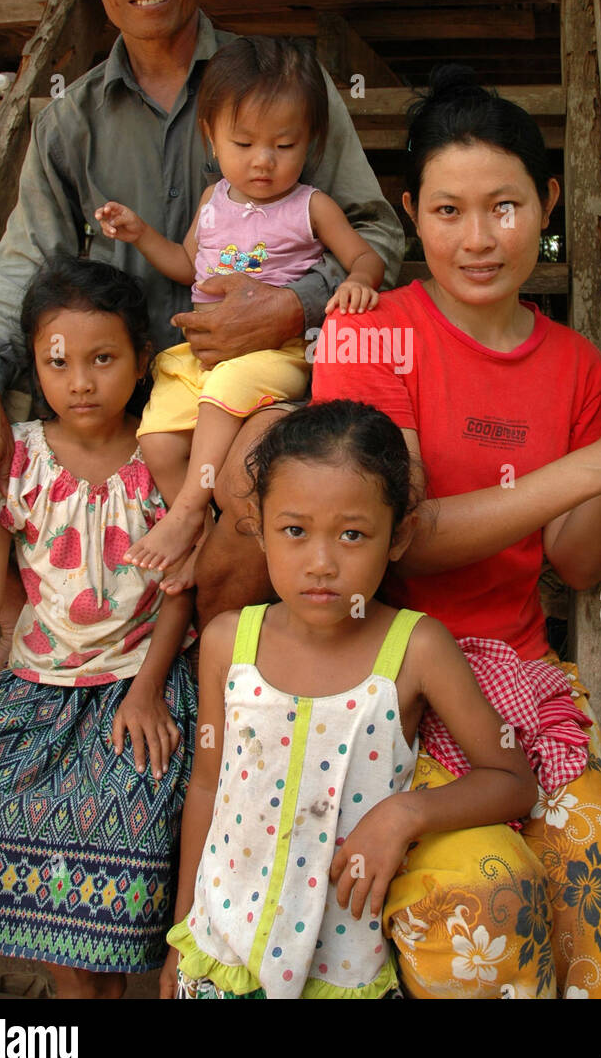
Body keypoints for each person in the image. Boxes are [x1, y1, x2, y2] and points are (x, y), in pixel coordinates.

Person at [0, 0, 403, 720]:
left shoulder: (280, 88)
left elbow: (378, 232)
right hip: (101, 379)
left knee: (270, 473)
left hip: (241, 390)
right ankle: (29, 625)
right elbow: (25, 262)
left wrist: (289, 307)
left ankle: (184, 659)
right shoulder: (70, 119)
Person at [311, 64, 601, 998]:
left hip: (523, 681)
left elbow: (573, 557)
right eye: (447, 212)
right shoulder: (371, 339)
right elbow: (401, 533)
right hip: (394, 691)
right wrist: (600, 462)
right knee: (482, 912)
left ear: (548, 201)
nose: (478, 240)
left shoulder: (571, 364)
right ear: (410, 213)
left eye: (506, 207)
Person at [160, 400, 539, 999]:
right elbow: (207, 785)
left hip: (343, 971)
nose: (321, 563)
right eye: (294, 530)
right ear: (257, 526)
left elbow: (513, 779)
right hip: (219, 954)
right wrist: (180, 936)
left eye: (353, 534)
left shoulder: (414, 648)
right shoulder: (230, 640)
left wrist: (403, 814)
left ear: (399, 535)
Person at [0, 258, 196, 998]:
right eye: (58, 362)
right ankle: (76, 994)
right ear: (34, 365)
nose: (80, 381)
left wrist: (146, 694)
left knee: (126, 822)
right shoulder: (18, 457)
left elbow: (179, 589)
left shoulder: (160, 458)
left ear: (142, 361)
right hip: (36, 684)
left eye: (103, 359)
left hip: (135, 683)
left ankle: (102, 987)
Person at [94, 36, 383, 588]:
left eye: (284, 144)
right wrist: (139, 234)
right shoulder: (213, 201)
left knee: (224, 391)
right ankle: (198, 523)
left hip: (276, 354)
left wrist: (359, 285)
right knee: (154, 439)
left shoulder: (310, 206)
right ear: (211, 135)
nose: (263, 160)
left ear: (311, 142)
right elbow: (184, 264)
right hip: (199, 356)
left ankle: (180, 515)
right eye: (244, 142)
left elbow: (364, 256)